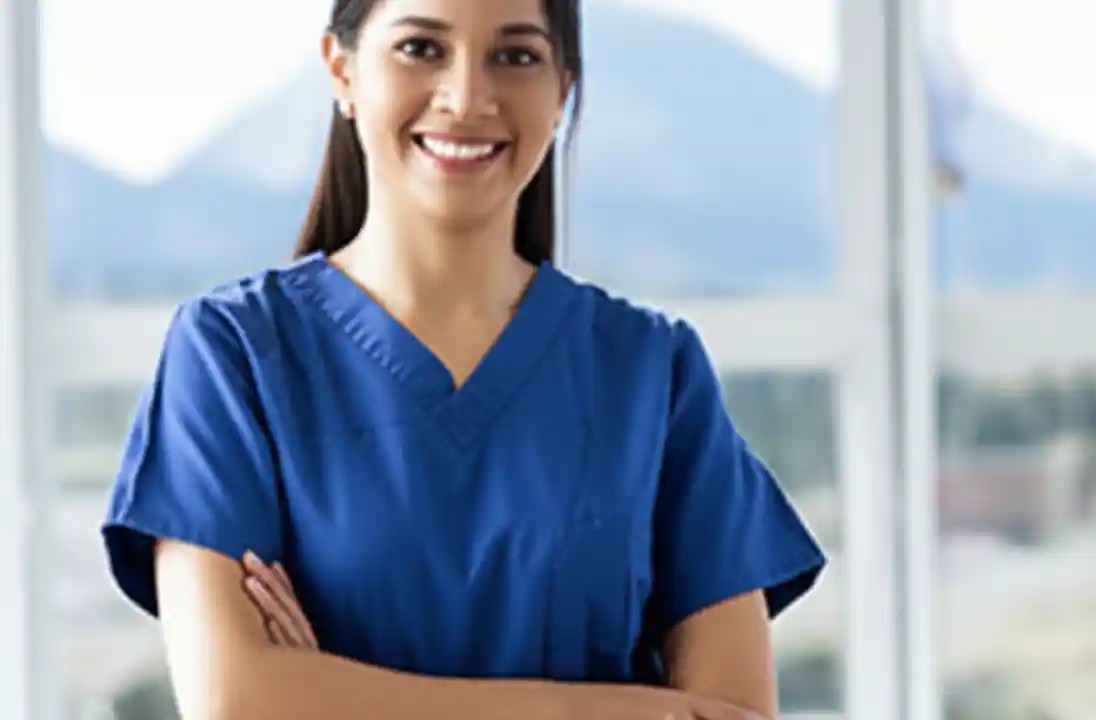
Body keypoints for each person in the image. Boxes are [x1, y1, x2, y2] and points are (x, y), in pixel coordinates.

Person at [100, 0, 827, 718]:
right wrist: (596, 708)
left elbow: (729, 714)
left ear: (562, 92)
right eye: (421, 48)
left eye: (515, 56)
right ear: (342, 70)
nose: (468, 97)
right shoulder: (234, 355)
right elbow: (237, 702)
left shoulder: (651, 371)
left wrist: (325, 691)